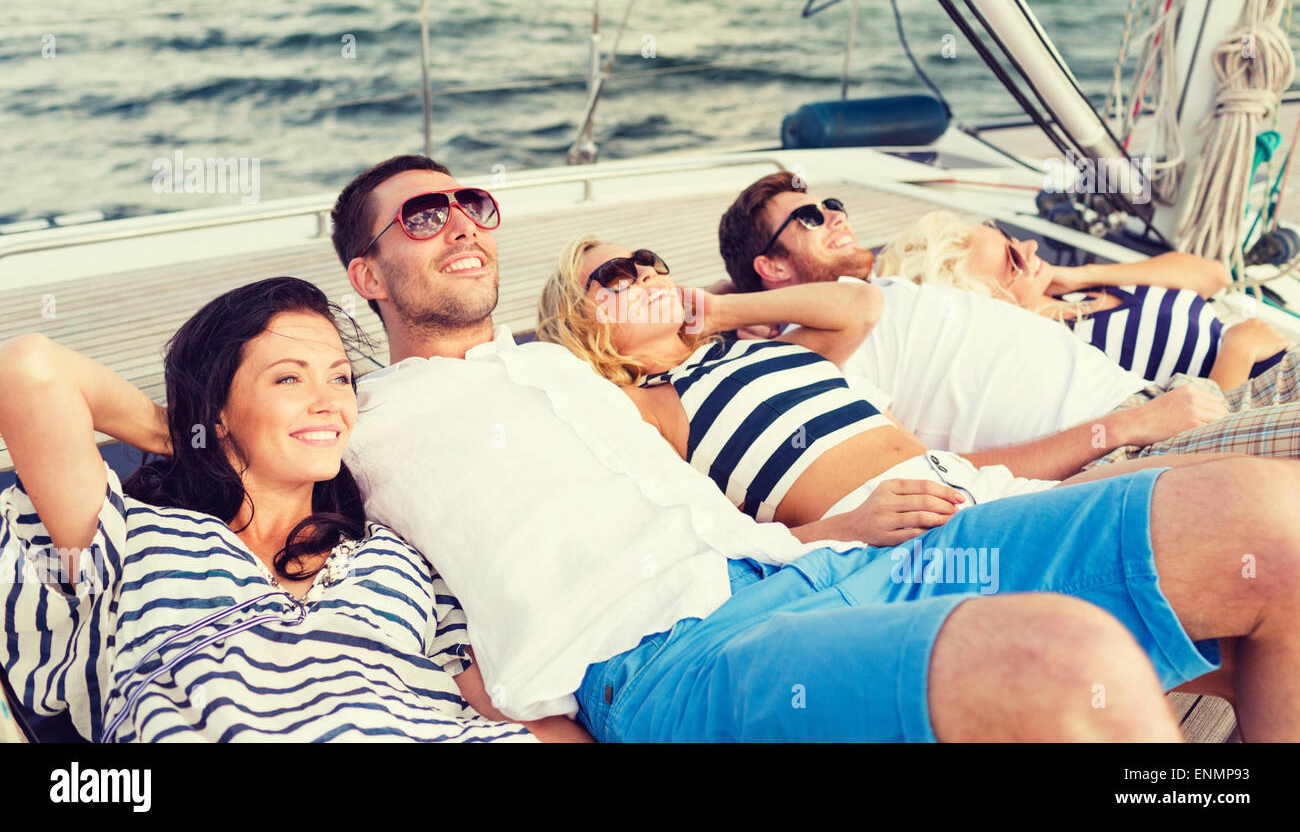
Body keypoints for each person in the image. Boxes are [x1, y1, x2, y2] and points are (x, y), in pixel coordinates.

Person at [333, 152, 1300, 742]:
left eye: (475, 205)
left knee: (1265, 519)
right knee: (1060, 660)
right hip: (678, 658)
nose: (460, 221)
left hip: (819, 565)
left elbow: (848, 315)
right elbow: (223, 460)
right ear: (365, 271)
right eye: (426, 215)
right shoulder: (359, 417)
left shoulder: (562, 375)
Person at [0, 277, 582, 742]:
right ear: (219, 406)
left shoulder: (398, 554)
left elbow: (499, 707)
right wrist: (186, 429)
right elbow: (29, 368)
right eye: (288, 379)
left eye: (340, 377)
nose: (329, 401)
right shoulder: (135, 539)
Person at [718, 171, 1300, 475]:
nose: (836, 217)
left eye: (834, 206)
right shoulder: (819, 367)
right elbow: (932, 474)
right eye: (810, 218)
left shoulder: (885, 294)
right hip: (1131, 442)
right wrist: (1127, 429)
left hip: (1167, 403)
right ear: (770, 265)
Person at [536, 235, 1068, 542]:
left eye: (650, 262)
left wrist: (718, 310)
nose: (647, 275)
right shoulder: (642, 406)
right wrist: (845, 529)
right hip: (892, 531)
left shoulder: (755, 351)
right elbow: (709, 544)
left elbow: (861, 308)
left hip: (971, 485)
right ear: (580, 321)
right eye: (617, 274)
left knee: (1152, 497)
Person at [874, 208, 1291, 390]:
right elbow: (1185, 436)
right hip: (1266, 402)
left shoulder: (1078, 290)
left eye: (1011, 238)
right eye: (1013, 258)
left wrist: (1081, 274)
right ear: (985, 300)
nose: (1032, 246)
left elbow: (1212, 275)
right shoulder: (1064, 355)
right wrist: (1237, 351)